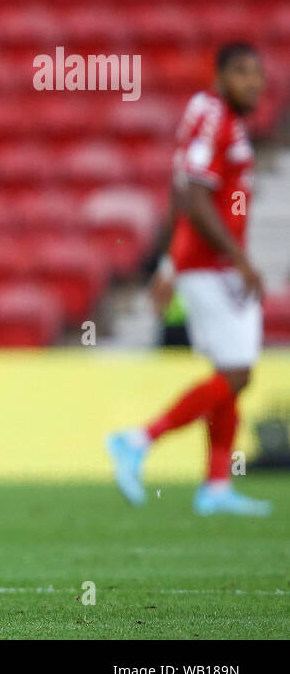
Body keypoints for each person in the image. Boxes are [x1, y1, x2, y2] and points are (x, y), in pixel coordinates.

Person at [107, 43, 271, 517]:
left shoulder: (225, 119)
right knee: (238, 373)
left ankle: (216, 486)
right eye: (242, 72)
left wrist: (170, 264)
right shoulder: (211, 113)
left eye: (257, 74)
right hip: (211, 266)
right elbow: (193, 197)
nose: (253, 83)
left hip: (210, 264)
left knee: (231, 375)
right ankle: (138, 439)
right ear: (219, 75)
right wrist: (236, 259)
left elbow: (190, 193)